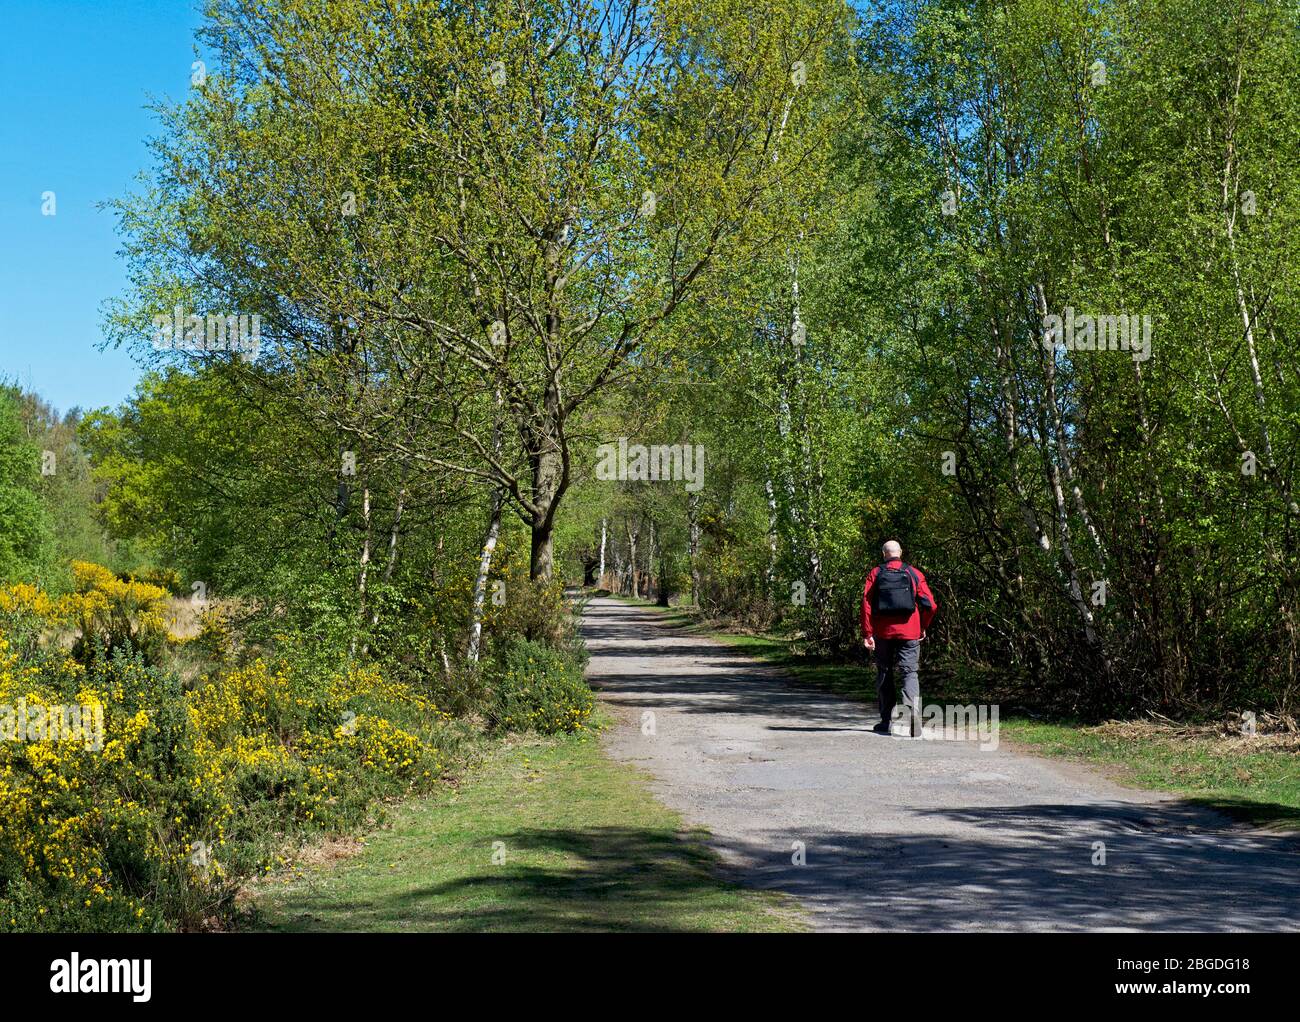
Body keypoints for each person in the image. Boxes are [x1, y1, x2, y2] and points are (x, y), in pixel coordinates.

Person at [862, 540, 937, 737]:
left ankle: (886, 720)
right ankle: (913, 717)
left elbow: (866, 604)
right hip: (910, 631)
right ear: (900, 553)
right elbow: (930, 605)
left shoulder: (875, 573)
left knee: (884, 672)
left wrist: (867, 633)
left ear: (883, 554)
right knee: (909, 673)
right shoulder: (914, 573)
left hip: (883, 632)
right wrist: (923, 626)